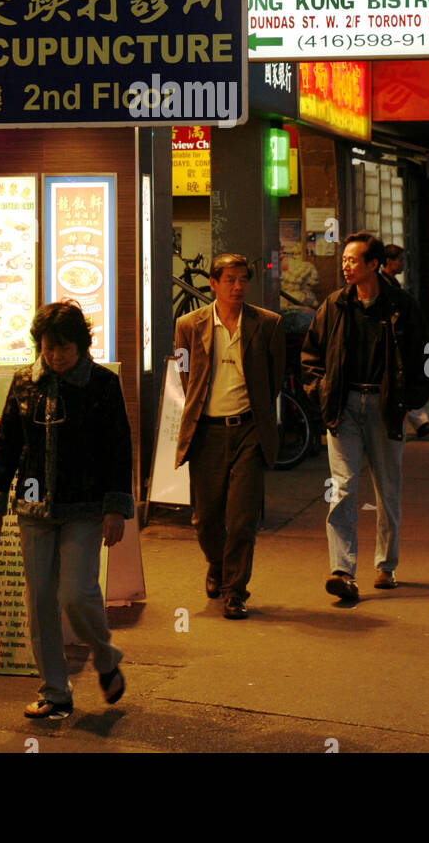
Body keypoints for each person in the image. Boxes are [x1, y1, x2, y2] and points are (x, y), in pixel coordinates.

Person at [0, 301, 134, 720]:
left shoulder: (102, 385)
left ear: (82, 345)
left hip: (84, 508)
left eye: (64, 348)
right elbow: (5, 446)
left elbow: (119, 448)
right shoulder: (24, 383)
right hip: (32, 509)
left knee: (76, 594)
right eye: (49, 348)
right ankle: (55, 690)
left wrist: (115, 508)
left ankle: (104, 656)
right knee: (39, 602)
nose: (55, 356)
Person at [302, 232, 429, 603]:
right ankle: (342, 569)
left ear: (373, 264)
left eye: (353, 260)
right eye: (343, 259)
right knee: (342, 488)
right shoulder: (335, 305)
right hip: (344, 407)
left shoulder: (400, 306)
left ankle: (386, 565)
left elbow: (425, 355)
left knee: (387, 489)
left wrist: (410, 401)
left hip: (384, 406)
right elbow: (311, 357)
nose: (346, 266)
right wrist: (323, 395)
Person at [174, 253, 285, 620]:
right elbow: (184, 373)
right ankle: (218, 565)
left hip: (249, 430)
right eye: (230, 280)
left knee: (241, 518)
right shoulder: (188, 325)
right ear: (214, 283)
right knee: (205, 519)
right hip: (207, 431)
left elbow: (274, 378)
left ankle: (235, 590)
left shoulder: (267, 324)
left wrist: (259, 418)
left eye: (243, 280)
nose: (238, 287)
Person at [382, 245, 429, 439]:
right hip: (394, 343)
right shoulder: (386, 285)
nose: (402, 264)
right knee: (403, 382)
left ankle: (419, 421)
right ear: (388, 262)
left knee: (405, 382)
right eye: (399, 260)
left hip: (398, 341)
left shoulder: (390, 284)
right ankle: (417, 422)